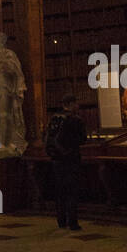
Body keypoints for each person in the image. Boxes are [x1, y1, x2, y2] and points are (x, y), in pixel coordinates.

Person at [45, 94, 86, 231]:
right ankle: (73, 222)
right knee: (72, 191)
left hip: (56, 159)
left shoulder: (54, 118)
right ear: (72, 104)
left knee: (60, 191)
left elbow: (48, 138)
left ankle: (61, 220)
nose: (78, 106)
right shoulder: (75, 120)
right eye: (76, 103)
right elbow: (82, 139)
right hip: (71, 158)